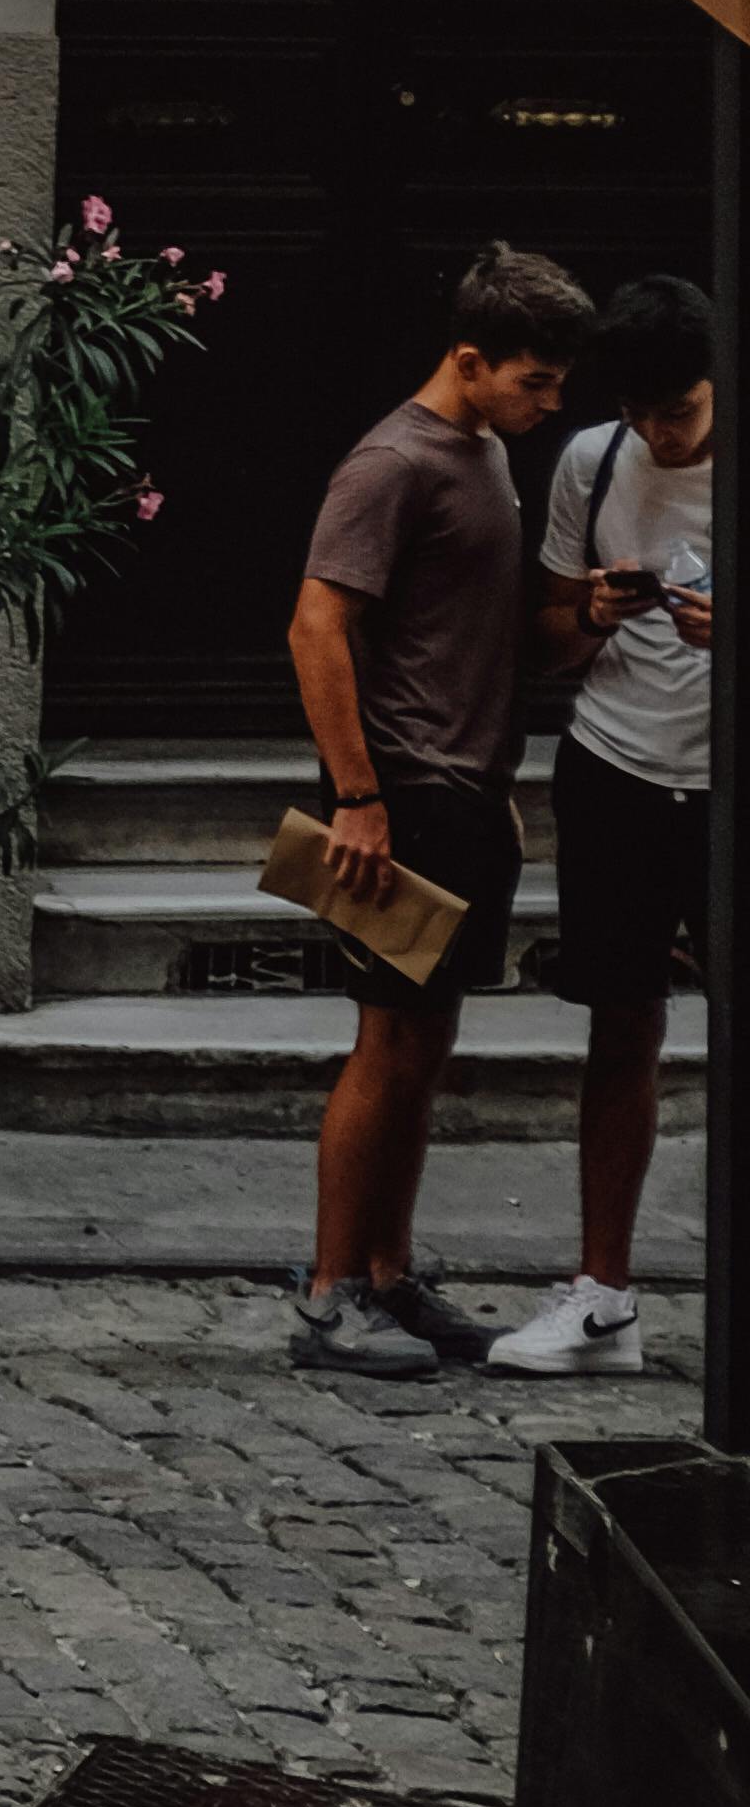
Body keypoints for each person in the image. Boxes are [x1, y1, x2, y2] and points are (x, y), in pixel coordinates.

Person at [286, 237, 595, 1379]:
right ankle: (326, 1296)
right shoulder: (390, 463)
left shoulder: (481, 451)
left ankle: (383, 1276)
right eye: (534, 381)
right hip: (400, 793)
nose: (549, 402)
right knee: (383, 1042)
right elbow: (314, 627)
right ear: (468, 359)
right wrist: (357, 799)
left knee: (427, 1046)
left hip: (462, 792)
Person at [491, 271, 718, 1379]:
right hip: (617, 767)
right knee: (617, 1028)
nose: (657, 436)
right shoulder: (591, 459)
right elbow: (539, 635)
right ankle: (601, 1301)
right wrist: (586, 611)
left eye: (674, 413)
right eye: (637, 415)